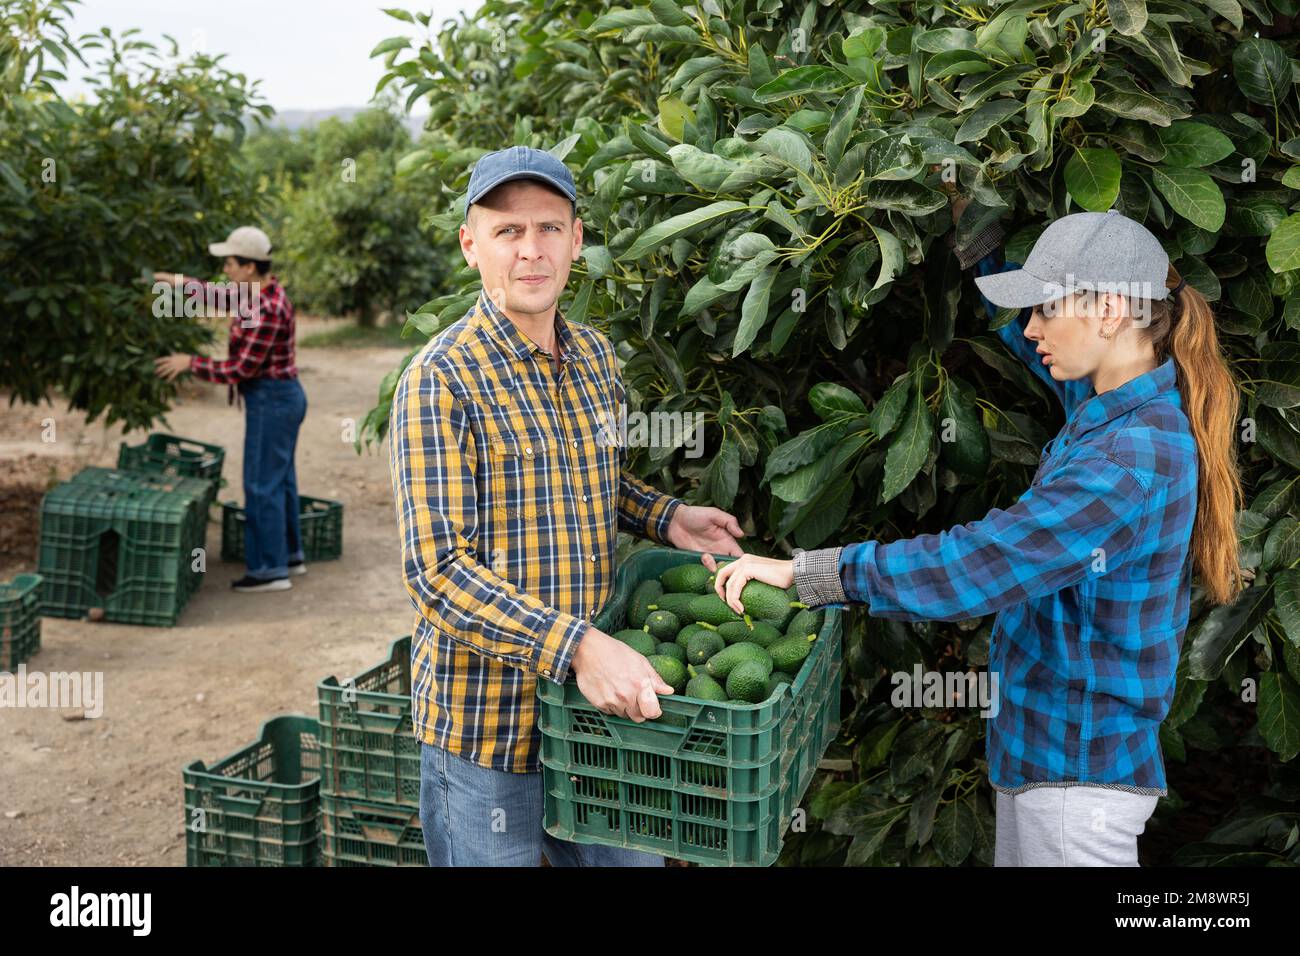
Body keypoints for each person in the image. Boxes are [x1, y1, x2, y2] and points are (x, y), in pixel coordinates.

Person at [705, 208, 1246, 867]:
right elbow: (1037, 350)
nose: (1031, 328)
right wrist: (975, 237)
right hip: (1049, 761)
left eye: (1046, 308)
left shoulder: (1125, 462)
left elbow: (983, 563)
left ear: (1108, 311)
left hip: (1075, 783)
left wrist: (810, 574)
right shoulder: (1112, 409)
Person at [387, 145, 746, 866]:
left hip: (595, 725)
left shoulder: (594, 359)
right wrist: (579, 647)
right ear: (470, 246)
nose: (531, 250)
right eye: (507, 231)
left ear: (577, 240)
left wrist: (666, 517)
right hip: (488, 728)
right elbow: (437, 572)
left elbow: (596, 482)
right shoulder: (440, 379)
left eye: (549, 228)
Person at [154, 226, 308, 593]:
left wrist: (189, 362)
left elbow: (240, 370)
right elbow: (218, 296)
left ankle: (269, 569)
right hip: (279, 396)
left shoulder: (265, 309)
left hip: (272, 399)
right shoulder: (257, 294)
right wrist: (176, 282)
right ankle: (289, 556)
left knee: (261, 484)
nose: (225, 270)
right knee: (280, 480)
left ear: (249, 267)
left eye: (230, 263)